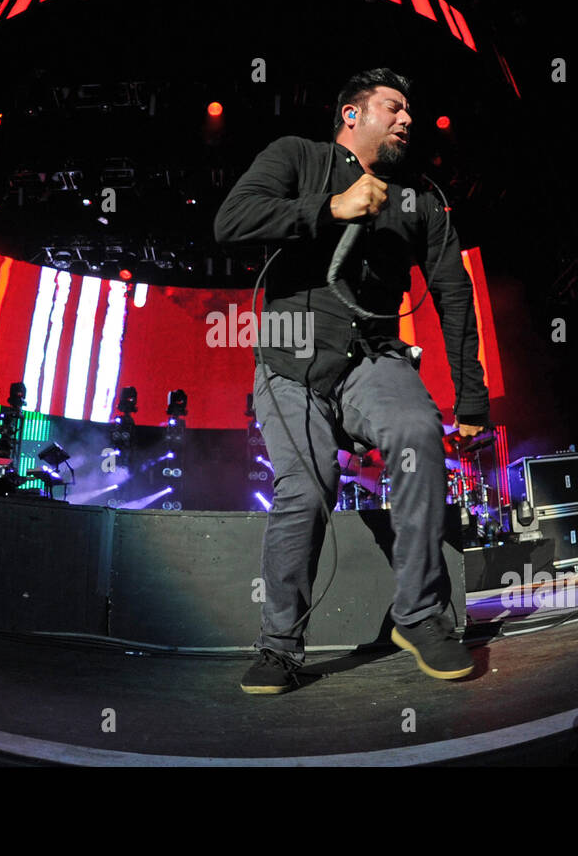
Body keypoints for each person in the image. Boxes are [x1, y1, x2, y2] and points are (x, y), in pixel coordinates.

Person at [215, 68, 490, 694]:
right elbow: (231, 221)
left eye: (409, 113)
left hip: (372, 358)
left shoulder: (421, 199)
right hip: (290, 366)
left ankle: (418, 613)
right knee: (308, 494)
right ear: (351, 115)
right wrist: (329, 208)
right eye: (393, 108)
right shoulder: (297, 157)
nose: (406, 120)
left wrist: (471, 395)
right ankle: (280, 646)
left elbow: (452, 293)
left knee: (420, 435)